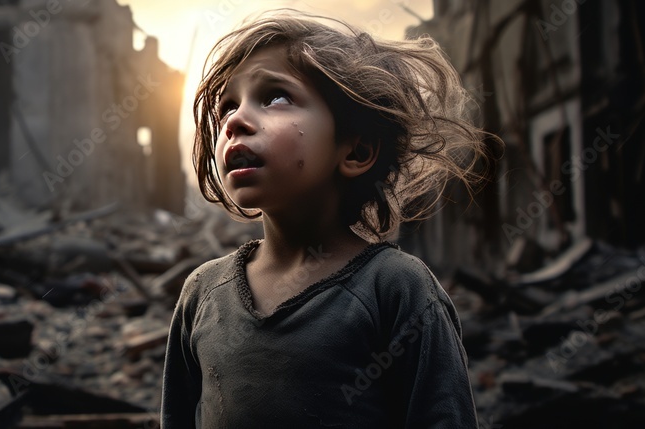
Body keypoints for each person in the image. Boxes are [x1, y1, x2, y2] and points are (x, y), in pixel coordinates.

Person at [161, 9, 500, 429]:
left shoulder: (395, 290)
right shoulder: (203, 295)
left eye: (275, 97)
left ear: (355, 151)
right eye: (227, 105)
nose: (235, 121)